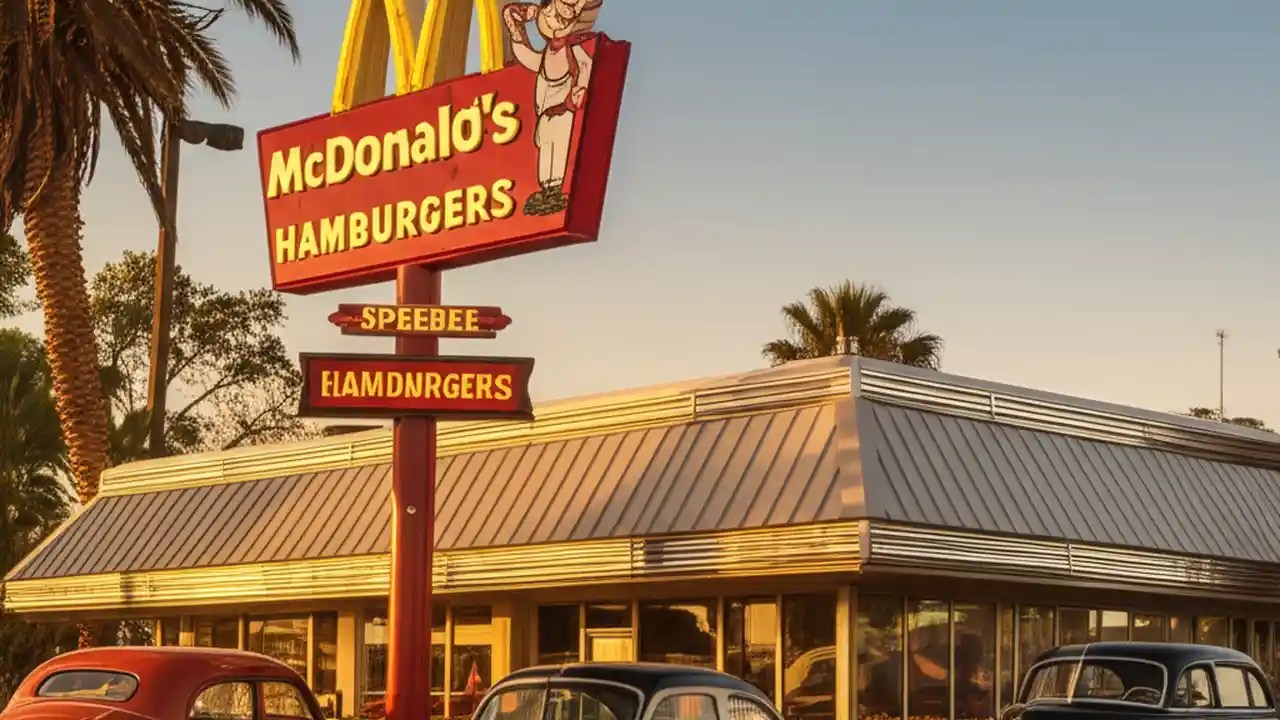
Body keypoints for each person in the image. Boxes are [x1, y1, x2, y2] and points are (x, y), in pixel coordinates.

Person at [503, 0, 603, 215]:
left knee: (558, 147)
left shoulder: (573, 49)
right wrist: (516, 32)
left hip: (563, 110)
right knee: (545, 145)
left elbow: (587, 67)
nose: (553, 20)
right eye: (548, 13)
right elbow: (530, 59)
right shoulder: (549, 52)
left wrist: (581, 90)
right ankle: (547, 189)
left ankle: (554, 191)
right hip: (545, 112)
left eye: (564, 18)